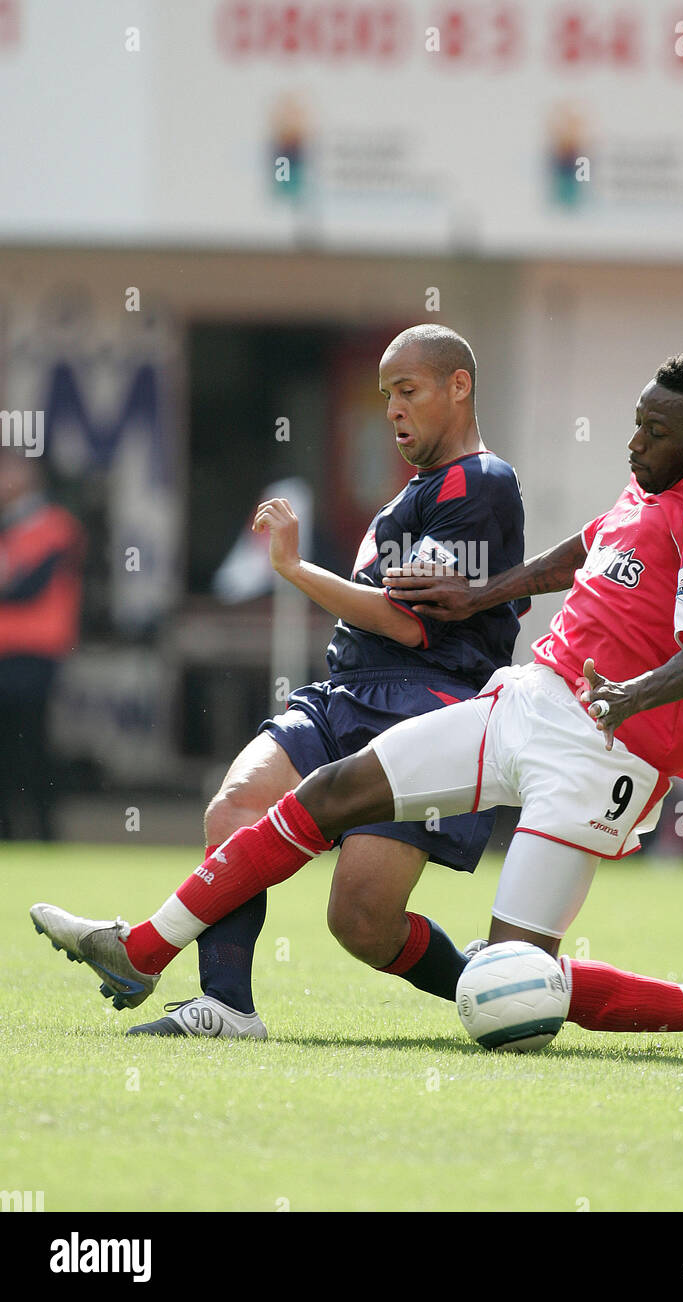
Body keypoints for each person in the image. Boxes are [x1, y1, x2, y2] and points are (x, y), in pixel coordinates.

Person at [31, 352, 683, 1050]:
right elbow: (586, 546)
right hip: (527, 700)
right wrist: (488, 591)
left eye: (654, 431)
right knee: (331, 790)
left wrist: (626, 697)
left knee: (515, 983)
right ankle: (140, 951)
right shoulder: (651, 486)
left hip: (601, 750)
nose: (634, 443)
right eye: (635, 424)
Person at [123, 323, 528, 1037]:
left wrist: (295, 569)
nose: (393, 409)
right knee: (234, 811)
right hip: (345, 693)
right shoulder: (417, 491)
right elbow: (392, 609)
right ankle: (224, 1006)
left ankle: (508, 991)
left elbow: (407, 624)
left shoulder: (481, 482)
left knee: (362, 923)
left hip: (423, 710)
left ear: (458, 386)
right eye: (385, 396)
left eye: (408, 390)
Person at [0, 449, 85, 842]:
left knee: (30, 744)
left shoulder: (55, 526)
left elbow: (25, 588)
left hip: (33, 654)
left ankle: (42, 831)